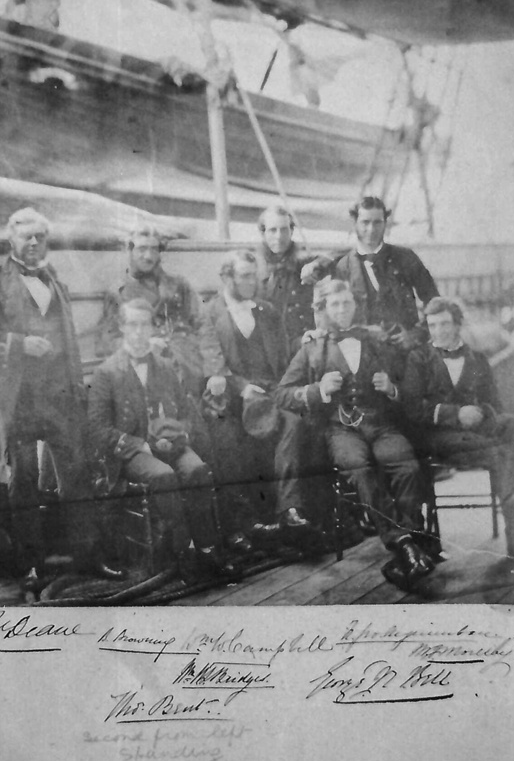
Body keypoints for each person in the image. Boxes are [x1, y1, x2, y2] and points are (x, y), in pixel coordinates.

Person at [0, 207, 95, 579]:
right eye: (26, 236)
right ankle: (31, 565)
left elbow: (70, 343)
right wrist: (17, 344)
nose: (34, 242)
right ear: (11, 238)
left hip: (58, 398)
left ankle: (86, 558)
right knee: (23, 482)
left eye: (40, 236)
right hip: (16, 399)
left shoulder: (57, 283)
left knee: (76, 475)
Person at [275, 278, 435, 589]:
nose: (341, 309)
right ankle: (405, 544)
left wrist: (392, 389)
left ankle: (409, 547)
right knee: (360, 470)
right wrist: (318, 389)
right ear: (324, 308)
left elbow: (410, 386)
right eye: (334, 304)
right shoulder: (312, 348)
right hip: (341, 430)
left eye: (346, 303)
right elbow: (281, 394)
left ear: (355, 305)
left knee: (407, 467)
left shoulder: (378, 341)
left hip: (381, 425)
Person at [89, 298, 238, 580]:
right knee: (163, 476)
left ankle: (207, 549)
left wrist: (178, 434)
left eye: (144, 325)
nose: (139, 332)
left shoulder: (165, 367)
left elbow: (187, 412)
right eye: (133, 325)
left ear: (152, 328)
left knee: (196, 469)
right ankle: (183, 552)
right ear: (122, 327)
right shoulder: (106, 372)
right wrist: (141, 445)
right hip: (132, 452)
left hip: (170, 444)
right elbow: (98, 429)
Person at [200, 249, 323, 551]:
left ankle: (290, 510)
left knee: (293, 424)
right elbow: (213, 362)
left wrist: (302, 341)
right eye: (244, 276)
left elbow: (283, 350)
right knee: (228, 440)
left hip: (270, 391)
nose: (251, 282)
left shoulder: (266, 310)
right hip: (231, 397)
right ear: (226, 277)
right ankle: (242, 523)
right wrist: (242, 387)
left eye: (254, 276)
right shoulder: (210, 312)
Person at [401, 296, 514, 558]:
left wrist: (481, 413)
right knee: (500, 452)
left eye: (445, 324)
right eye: (433, 325)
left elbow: (494, 403)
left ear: (457, 324)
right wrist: (456, 414)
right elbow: (412, 408)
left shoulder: (477, 359)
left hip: (474, 432)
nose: (439, 331)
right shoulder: (418, 359)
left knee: (512, 425)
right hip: (439, 437)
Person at [96, 225, 205, 394]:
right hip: (146, 365)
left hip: (188, 365)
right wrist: (143, 344)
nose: (148, 256)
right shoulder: (118, 292)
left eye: (154, 249)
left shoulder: (178, 285)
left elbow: (202, 322)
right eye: (142, 249)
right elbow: (107, 341)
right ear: (130, 250)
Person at [330, 196, 439, 351]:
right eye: (365, 222)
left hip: (405, 349)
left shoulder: (405, 258)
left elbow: (434, 301)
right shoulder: (344, 266)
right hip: (363, 350)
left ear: (385, 224)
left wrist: (417, 333)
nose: (371, 229)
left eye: (377, 222)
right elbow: (336, 312)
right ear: (355, 224)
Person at [256, 204, 331, 354]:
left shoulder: (302, 262)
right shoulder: (254, 269)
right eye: (273, 230)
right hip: (269, 350)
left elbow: (332, 262)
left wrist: (316, 265)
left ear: (291, 231)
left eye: (284, 229)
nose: (279, 236)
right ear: (263, 233)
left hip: (303, 346)